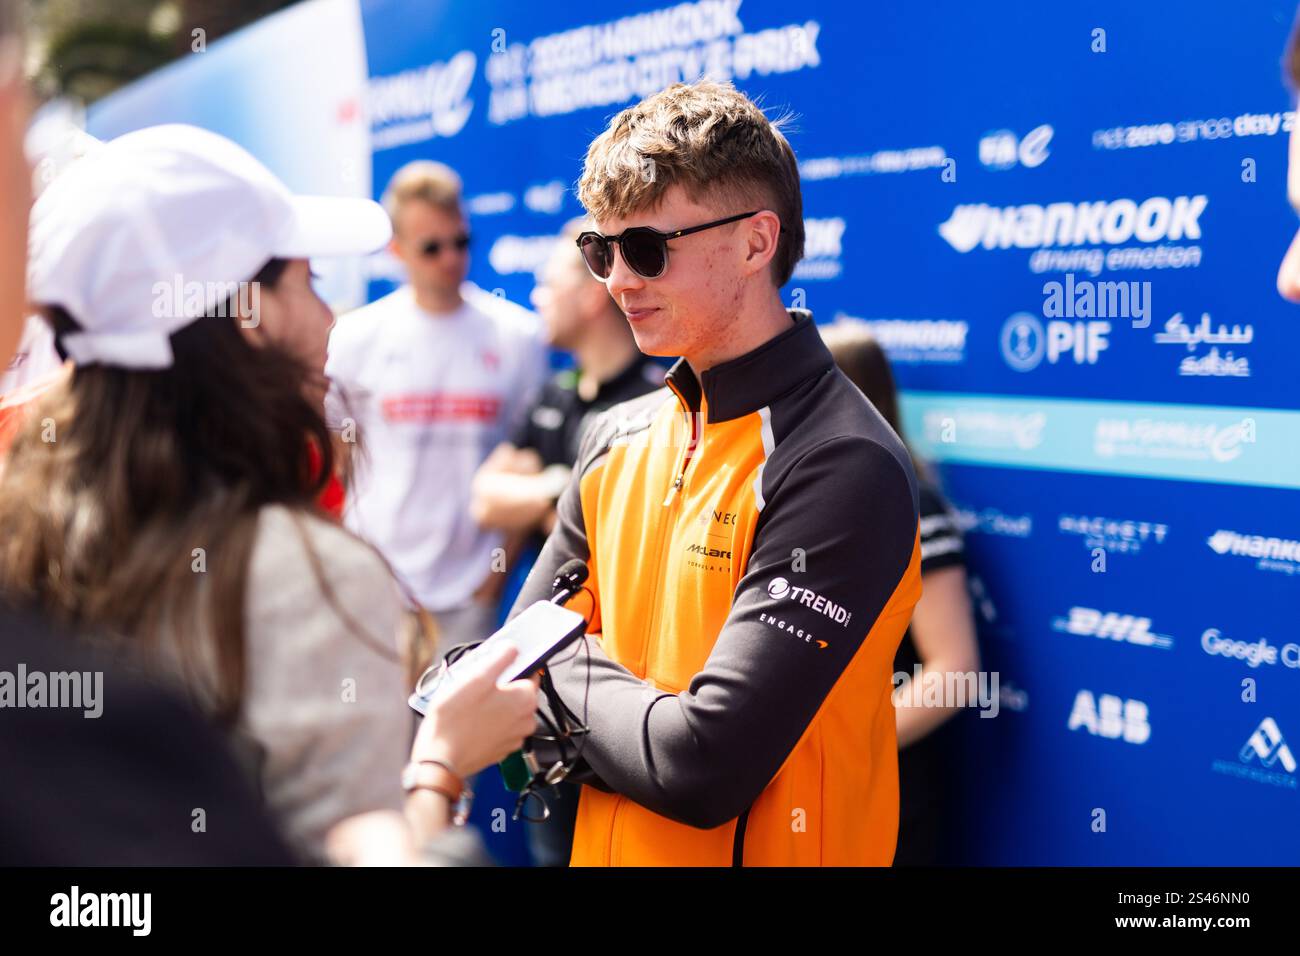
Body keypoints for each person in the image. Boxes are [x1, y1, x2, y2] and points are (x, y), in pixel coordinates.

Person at [0, 124, 540, 861]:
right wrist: (439, 764)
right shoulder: (305, 573)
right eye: (308, 280)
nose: (328, 319)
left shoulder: (22, 526)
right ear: (249, 316)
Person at [508, 79, 923, 866]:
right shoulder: (616, 436)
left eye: (646, 249)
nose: (618, 282)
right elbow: (502, 668)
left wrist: (558, 677)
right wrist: (608, 710)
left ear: (756, 243)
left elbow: (700, 765)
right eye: (601, 252)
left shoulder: (841, 461)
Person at [470, 217, 664, 866]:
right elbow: (486, 497)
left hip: (627, 695)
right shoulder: (551, 397)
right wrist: (566, 486)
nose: (535, 300)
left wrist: (549, 500)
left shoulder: (658, 400)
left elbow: (628, 542)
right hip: (542, 698)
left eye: (546, 285)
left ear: (589, 296)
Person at [326, 161, 548, 665]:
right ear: (397, 250)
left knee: (461, 743)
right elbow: (338, 458)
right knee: (376, 740)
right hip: (377, 587)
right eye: (432, 247)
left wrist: (491, 583)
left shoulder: (518, 336)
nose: (450, 258)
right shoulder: (356, 337)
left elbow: (527, 460)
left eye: (460, 242)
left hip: (469, 594)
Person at [819, 321, 981, 866]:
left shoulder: (911, 504)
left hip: (880, 802)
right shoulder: (788, 499)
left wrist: (840, 753)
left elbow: (953, 672)